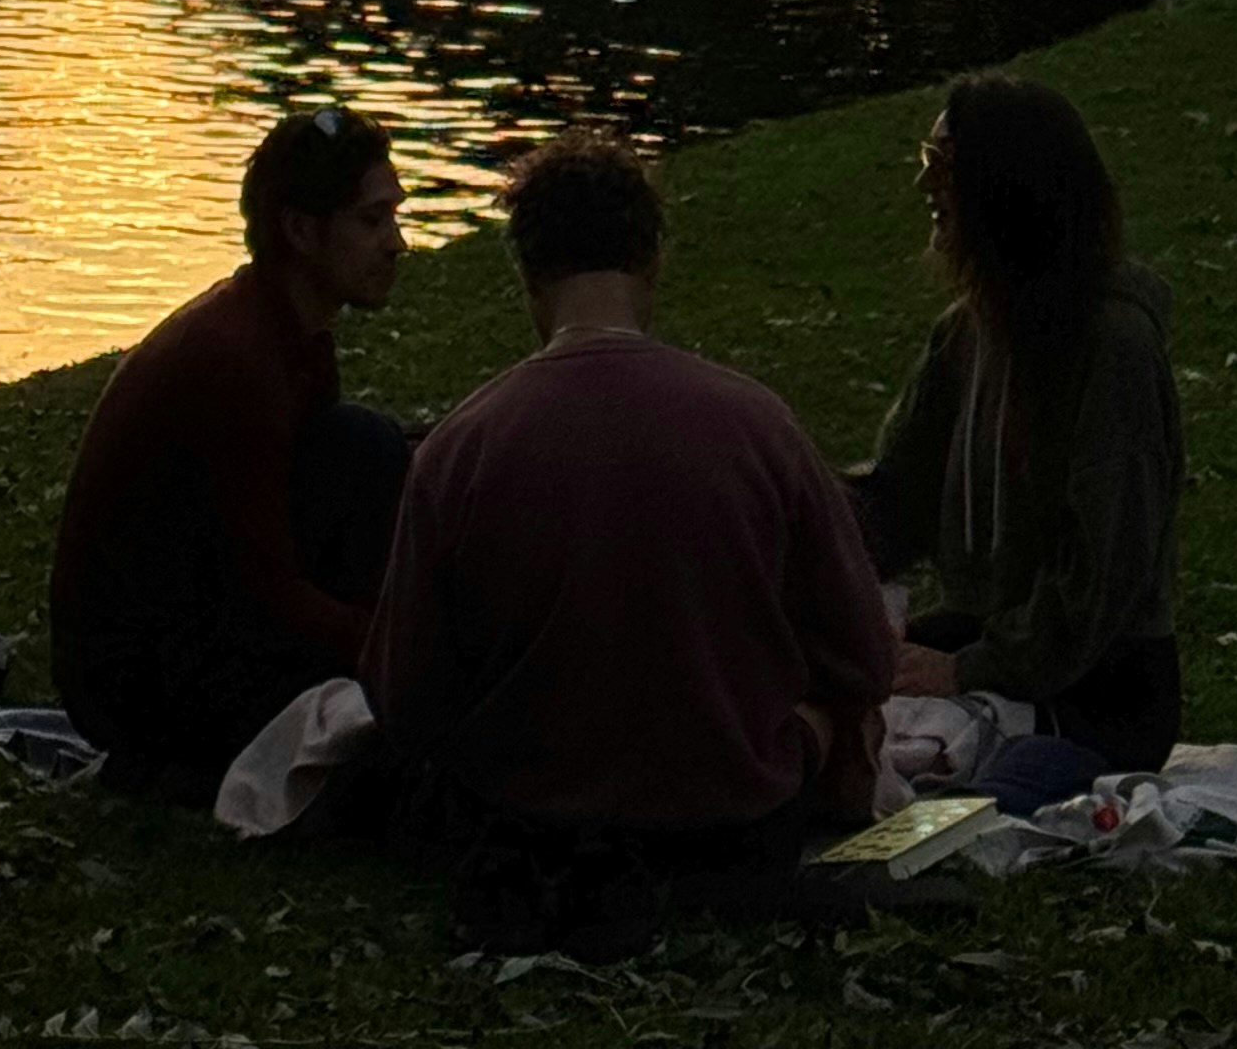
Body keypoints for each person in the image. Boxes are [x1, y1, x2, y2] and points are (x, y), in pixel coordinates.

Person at [361, 131, 893, 946]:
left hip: (528, 835)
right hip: (732, 823)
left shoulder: (459, 449)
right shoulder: (759, 426)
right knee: (841, 718)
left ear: (529, 278)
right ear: (651, 260)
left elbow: (406, 698)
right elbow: (863, 654)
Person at [49, 105, 412, 795]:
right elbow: (266, 588)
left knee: (371, 447)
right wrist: (391, 645)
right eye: (371, 222)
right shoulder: (237, 359)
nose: (396, 244)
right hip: (134, 683)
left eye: (394, 218)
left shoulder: (293, 334)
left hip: (199, 612)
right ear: (302, 231)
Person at [853, 73, 1183, 815]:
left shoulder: (1113, 349)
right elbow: (895, 501)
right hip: (987, 650)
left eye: (941, 169)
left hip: (1099, 693)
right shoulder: (966, 335)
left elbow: (1100, 578)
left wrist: (968, 669)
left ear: (1004, 189)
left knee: (967, 800)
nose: (924, 187)